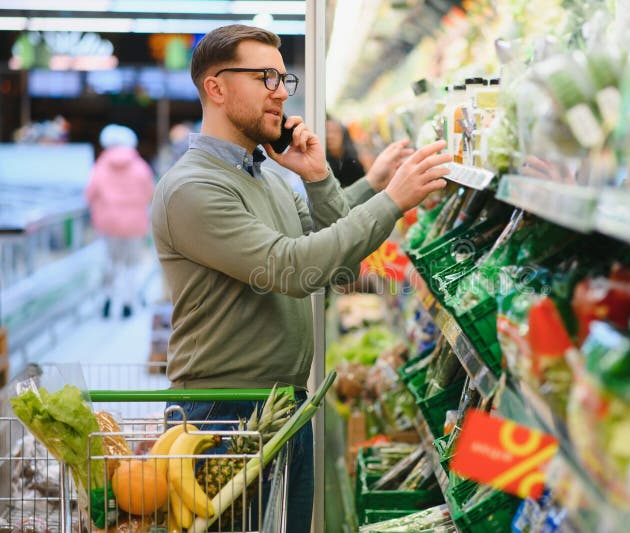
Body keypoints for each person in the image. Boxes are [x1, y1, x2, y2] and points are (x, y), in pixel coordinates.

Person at [150, 24, 450, 533]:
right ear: (215, 87)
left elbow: (335, 262)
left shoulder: (264, 176)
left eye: (282, 77)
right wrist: (392, 199)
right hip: (224, 417)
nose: (280, 91)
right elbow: (292, 269)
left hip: (279, 406)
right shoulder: (193, 188)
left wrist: (321, 178)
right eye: (264, 77)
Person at [85, 124, 155, 319]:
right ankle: (127, 302)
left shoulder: (101, 165)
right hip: (134, 224)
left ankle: (108, 299)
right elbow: (150, 193)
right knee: (132, 264)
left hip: (108, 223)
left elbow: (90, 193)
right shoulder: (140, 166)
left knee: (110, 262)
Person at [325, 115, 365, 187]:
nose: (329, 136)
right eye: (326, 132)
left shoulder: (359, 158)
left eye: (334, 132)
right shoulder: (324, 162)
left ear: (343, 134)